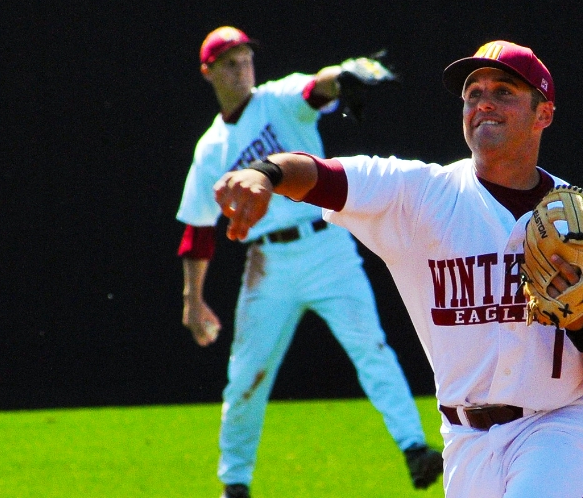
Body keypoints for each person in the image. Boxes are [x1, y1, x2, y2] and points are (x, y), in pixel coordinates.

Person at [212, 40, 583, 497]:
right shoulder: (421, 197)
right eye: (473, 93)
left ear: (544, 114)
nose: (483, 103)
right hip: (465, 439)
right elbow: (325, 176)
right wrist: (264, 174)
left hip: (563, 428)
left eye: (504, 91)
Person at [176, 26, 442, 498]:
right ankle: (234, 483)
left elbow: (314, 88)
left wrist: (343, 77)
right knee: (245, 377)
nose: (241, 68)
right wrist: (192, 300)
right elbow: (197, 231)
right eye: (230, 62)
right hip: (267, 263)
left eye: (245, 58)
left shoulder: (275, 100)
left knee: (372, 349)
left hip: (327, 246)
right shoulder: (211, 148)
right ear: (208, 71)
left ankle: (415, 449)